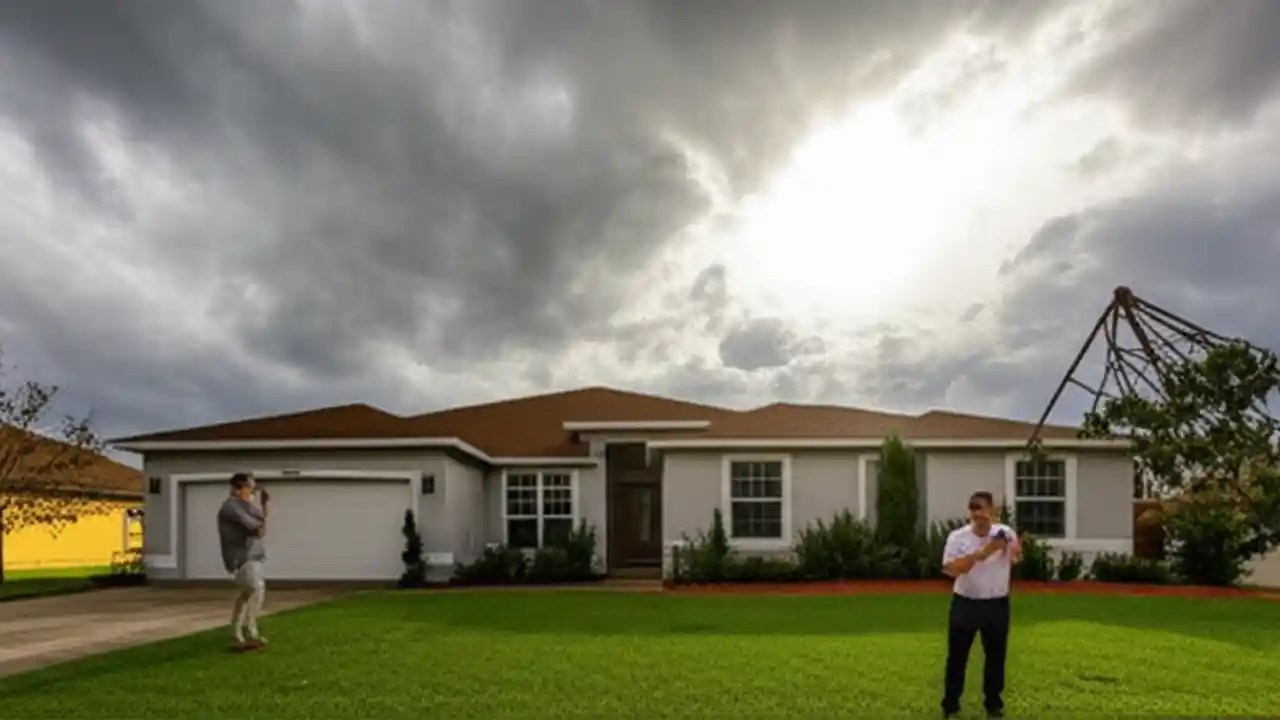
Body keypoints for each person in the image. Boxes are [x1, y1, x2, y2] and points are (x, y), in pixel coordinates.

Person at [940, 490, 1022, 718]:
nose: (978, 517)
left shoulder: (1005, 532)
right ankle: (951, 704)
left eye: (983, 511)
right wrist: (983, 552)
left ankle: (994, 704)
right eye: (974, 512)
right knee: (957, 656)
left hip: (997, 604)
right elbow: (951, 569)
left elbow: (1016, 558)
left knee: (996, 656)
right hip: (965, 603)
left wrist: (1012, 548)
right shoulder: (958, 537)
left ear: (992, 512)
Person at [218, 472, 270, 650]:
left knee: (248, 594)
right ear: (238, 488)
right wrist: (258, 507)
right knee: (255, 590)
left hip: (253, 556)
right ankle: (249, 631)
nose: (252, 492)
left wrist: (261, 505)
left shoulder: (246, 506)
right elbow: (257, 529)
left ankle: (237, 631)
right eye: (250, 488)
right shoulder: (231, 508)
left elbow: (263, 523)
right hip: (241, 558)